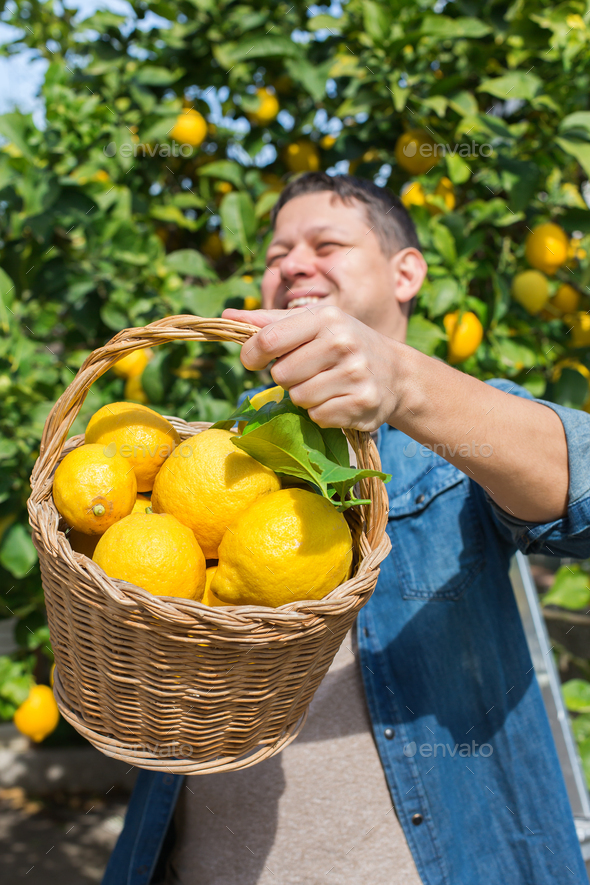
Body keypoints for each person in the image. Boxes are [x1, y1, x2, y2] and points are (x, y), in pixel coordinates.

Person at [103, 173, 590, 885]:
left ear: (406, 272)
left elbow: (578, 489)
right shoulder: (221, 451)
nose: (293, 264)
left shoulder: (461, 430)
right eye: (276, 253)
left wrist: (403, 385)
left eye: (326, 243)